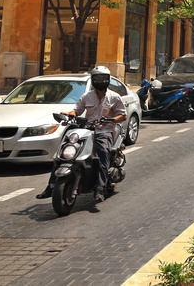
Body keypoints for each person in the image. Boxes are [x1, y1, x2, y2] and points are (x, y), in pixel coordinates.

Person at [36, 66, 127, 204]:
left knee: (102, 154)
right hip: (87, 129)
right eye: (97, 78)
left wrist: (111, 120)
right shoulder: (87, 96)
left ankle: (100, 188)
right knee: (63, 153)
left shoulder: (114, 97)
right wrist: (70, 114)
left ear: (108, 80)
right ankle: (51, 186)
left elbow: (123, 115)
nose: (100, 81)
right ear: (93, 79)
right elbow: (77, 111)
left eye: (103, 78)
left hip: (105, 131)